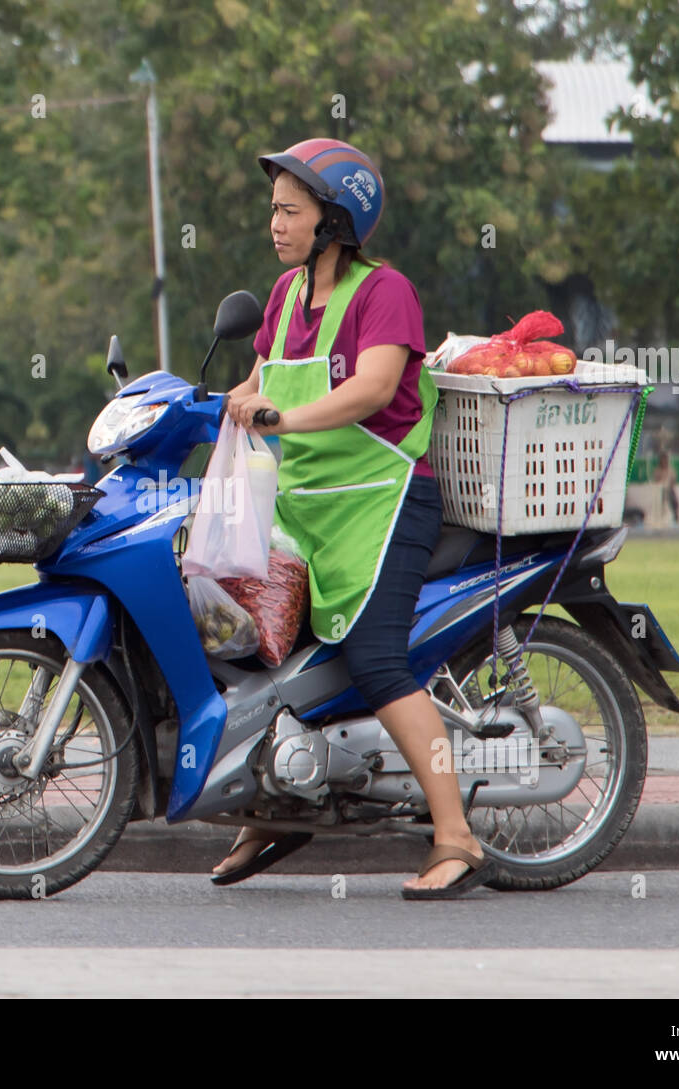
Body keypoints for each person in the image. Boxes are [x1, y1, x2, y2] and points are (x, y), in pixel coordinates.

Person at [211, 137, 491, 898]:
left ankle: (456, 835)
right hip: (307, 507)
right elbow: (263, 377)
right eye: (273, 210)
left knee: (374, 660)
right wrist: (227, 402)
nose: (275, 224)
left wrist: (281, 417)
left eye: (290, 210)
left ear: (333, 219)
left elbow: (372, 390)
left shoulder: (384, 292)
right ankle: (277, 808)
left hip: (385, 504)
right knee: (259, 637)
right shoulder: (283, 296)